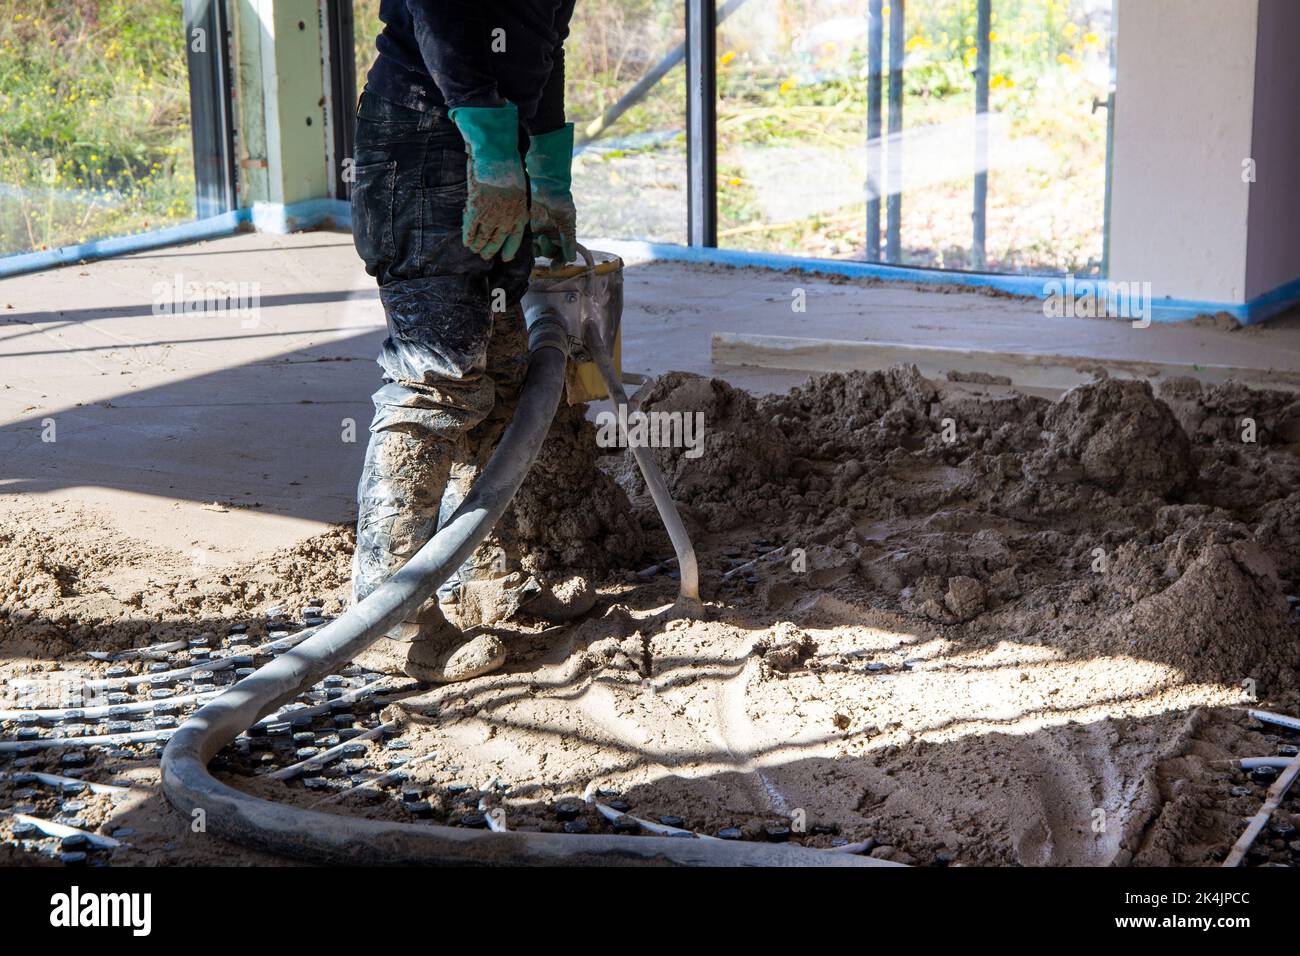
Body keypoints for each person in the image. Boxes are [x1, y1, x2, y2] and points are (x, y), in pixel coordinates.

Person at [349, 1, 579, 683]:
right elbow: (442, 10)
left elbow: (542, 42)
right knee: (437, 377)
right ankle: (388, 618)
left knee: (505, 370)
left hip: (497, 141)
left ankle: (478, 579)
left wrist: (547, 168)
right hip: (425, 145)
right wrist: (491, 147)